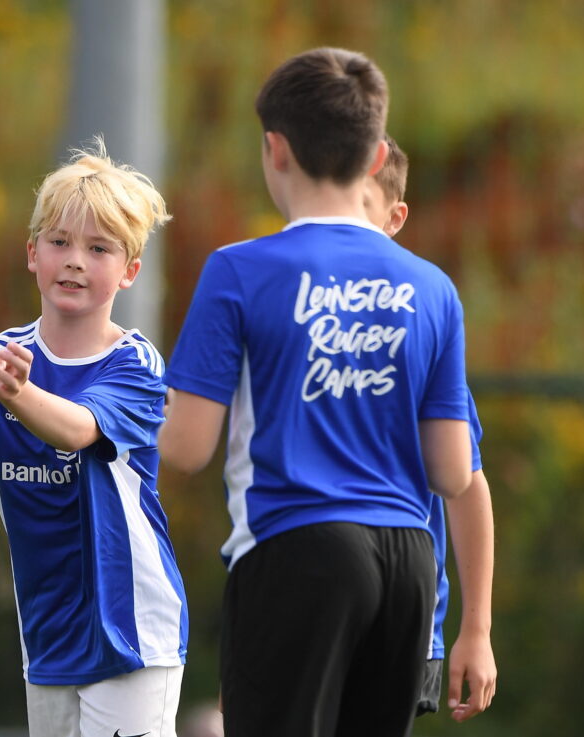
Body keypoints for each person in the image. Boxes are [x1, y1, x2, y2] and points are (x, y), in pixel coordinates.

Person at [159, 47, 473, 737]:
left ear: (275, 149)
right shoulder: (432, 287)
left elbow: (184, 448)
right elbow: (452, 470)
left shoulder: (239, 270)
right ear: (375, 157)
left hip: (297, 548)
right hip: (409, 564)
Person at [0, 141, 188, 737]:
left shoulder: (135, 364)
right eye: (60, 242)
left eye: (99, 248)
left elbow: (78, 430)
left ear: (129, 271)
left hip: (131, 635)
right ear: (32, 253)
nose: (75, 260)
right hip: (46, 637)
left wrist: (18, 395)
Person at [364, 136, 498, 722]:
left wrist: (476, 627)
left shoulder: (423, 331)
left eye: (362, 210)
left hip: (404, 612)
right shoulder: (282, 315)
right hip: (303, 596)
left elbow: (465, 485)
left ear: (395, 219)